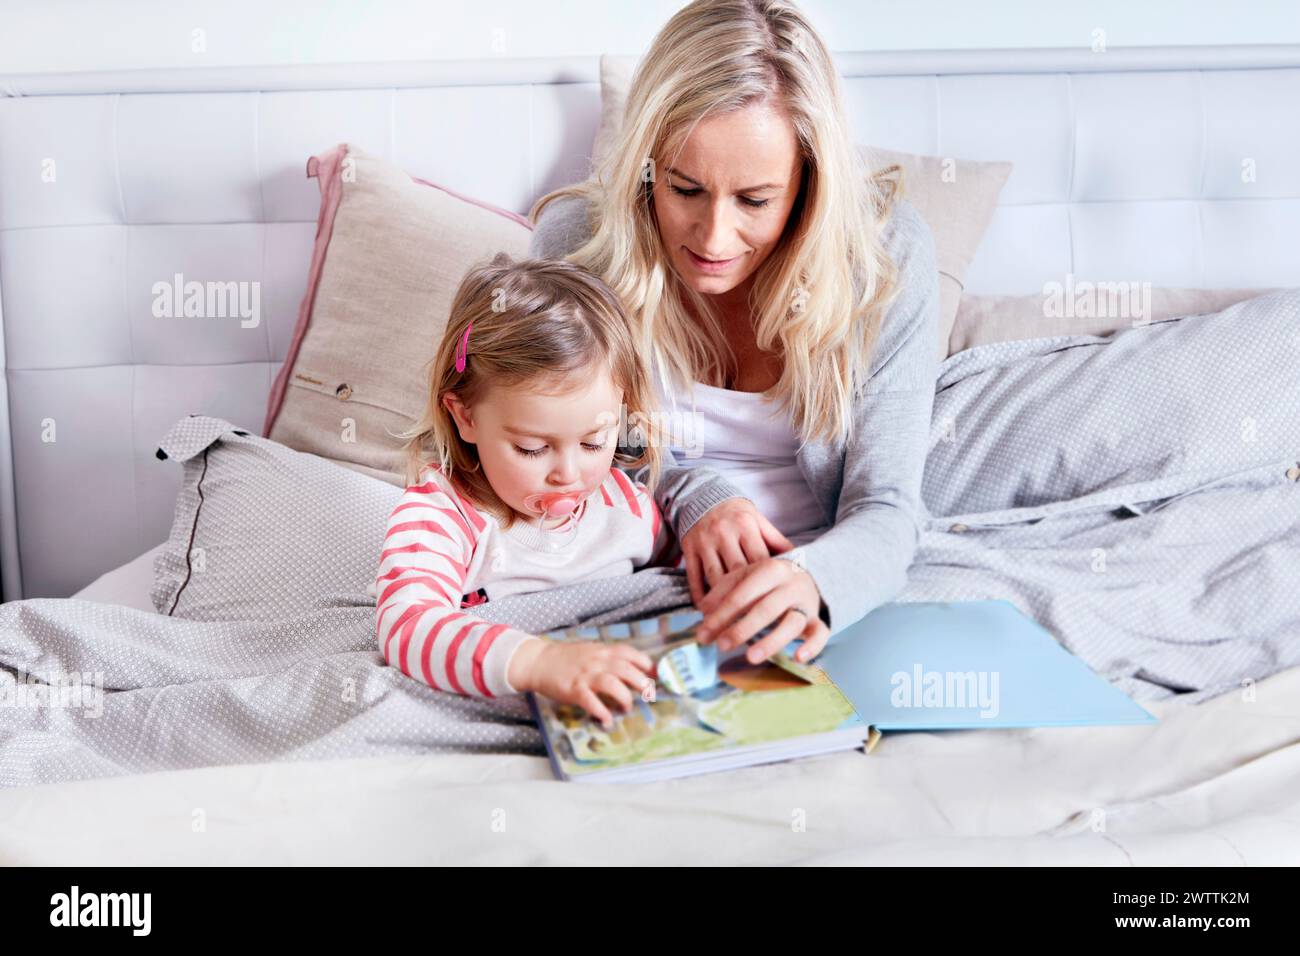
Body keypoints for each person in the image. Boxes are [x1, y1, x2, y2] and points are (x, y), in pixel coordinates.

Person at [528, 0, 942, 668]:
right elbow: (550, 449)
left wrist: (816, 580)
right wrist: (695, 494)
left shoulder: (884, 259)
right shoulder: (579, 246)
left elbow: (889, 505)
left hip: (831, 570)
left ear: (809, 182)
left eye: (755, 200)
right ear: (645, 168)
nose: (714, 239)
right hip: (643, 565)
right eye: (685, 189)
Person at [373, 254, 674, 729]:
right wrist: (537, 662)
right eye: (533, 449)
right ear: (465, 416)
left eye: (595, 441)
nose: (569, 475)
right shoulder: (442, 516)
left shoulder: (625, 504)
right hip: (501, 708)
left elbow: (677, 587)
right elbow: (406, 627)